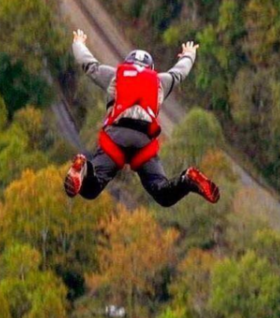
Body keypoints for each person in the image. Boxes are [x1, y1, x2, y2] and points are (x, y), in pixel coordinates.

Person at [64, 30, 220, 206]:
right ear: (150, 68)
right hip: (143, 143)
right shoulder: (159, 81)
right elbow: (179, 73)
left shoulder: (116, 76)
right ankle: (187, 180)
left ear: (127, 64)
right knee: (164, 194)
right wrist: (189, 54)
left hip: (115, 139)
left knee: (91, 189)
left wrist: (78, 43)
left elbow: (89, 65)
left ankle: (84, 169)